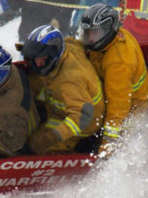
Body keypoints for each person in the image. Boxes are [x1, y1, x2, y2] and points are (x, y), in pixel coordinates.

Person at [21, 25, 105, 154]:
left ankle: (68, 158)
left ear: (53, 55)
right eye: (35, 59)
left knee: (37, 146)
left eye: (42, 59)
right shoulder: (69, 45)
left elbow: (82, 117)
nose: (38, 64)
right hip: (66, 106)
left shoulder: (69, 80)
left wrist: (52, 137)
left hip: (84, 123)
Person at [80, 4, 148, 156]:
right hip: (113, 92)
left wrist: (106, 148)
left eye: (95, 33)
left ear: (108, 30)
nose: (90, 38)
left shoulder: (118, 62)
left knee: (119, 144)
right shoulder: (106, 43)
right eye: (87, 33)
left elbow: (117, 109)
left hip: (132, 108)